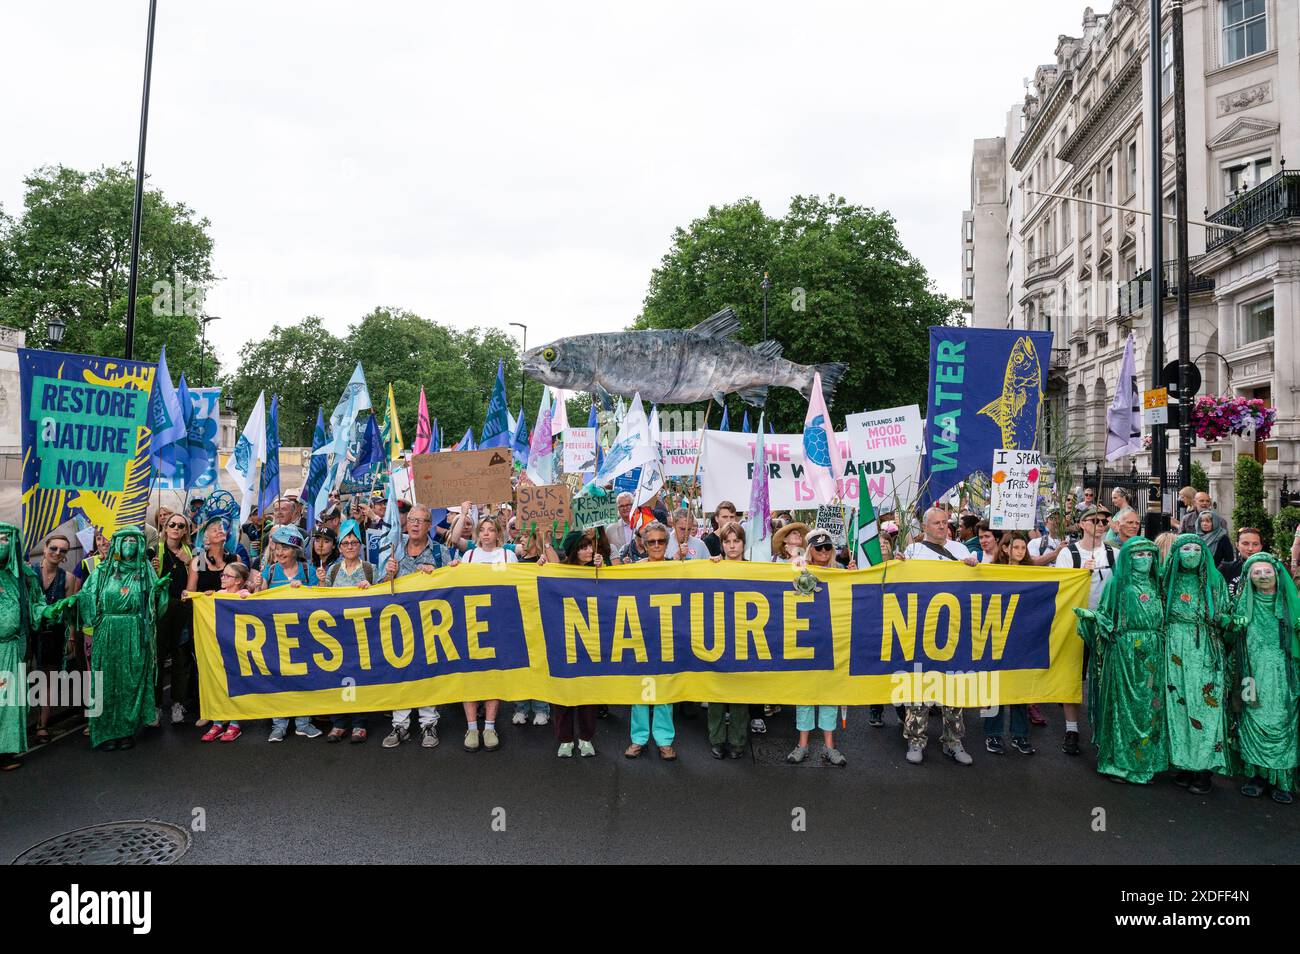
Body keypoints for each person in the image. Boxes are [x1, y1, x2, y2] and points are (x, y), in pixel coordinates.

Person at [1074, 537, 1169, 783]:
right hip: (1125, 655)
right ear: (1128, 558)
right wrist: (1092, 617)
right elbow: (1106, 618)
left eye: (1149, 555)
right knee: (1123, 708)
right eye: (1139, 555)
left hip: (1153, 656)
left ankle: (1146, 761)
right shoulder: (1117, 585)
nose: (1145, 560)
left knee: (1150, 707)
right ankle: (1119, 763)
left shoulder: (1157, 585)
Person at [895, 507, 976, 765]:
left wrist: (974, 568)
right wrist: (899, 567)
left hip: (955, 629)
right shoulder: (913, 552)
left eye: (945, 522)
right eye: (937, 523)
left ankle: (953, 741)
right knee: (920, 684)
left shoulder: (962, 551)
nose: (942, 526)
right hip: (923, 629)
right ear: (925, 527)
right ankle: (915, 740)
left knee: (954, 686)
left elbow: (978, 586)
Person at [77, 527, 168, 751]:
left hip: (135, 630)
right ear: (117, 543)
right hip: (107, 631)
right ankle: (106, 731)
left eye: (133, 540)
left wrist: (158, 591)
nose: (129, 543)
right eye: (124, 539)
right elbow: (87, 595)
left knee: (130, 680)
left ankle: (126, 730)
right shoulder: (103, 570)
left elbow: (155, 601)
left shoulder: (145, 570)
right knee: (107, 681)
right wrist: (93, 617)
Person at [1162, 534, 1232, 795]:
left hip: (1204, 650)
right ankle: (1183, 763)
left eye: (1196, 548)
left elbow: (1225, 612)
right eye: (1185, 549)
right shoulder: (1167, 580)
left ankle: (1203, 767)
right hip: (1173, 651)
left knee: (1205, 707)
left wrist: (1228, 621)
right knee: (1178, 705)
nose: (1190, 553)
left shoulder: (1215, 581)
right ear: (1176, 553)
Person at [382, 505, 456, 750]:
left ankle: (428, 722)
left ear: (429, 525)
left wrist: (436, 575)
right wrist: (387, 575)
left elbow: (452, 586)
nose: (414, 524)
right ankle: (400, 724)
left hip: (428, 624)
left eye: (421, 520)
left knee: (427, 673)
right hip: (398, 623)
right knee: (399, 673)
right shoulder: (393, 549)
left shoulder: (439, 552)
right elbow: (377, 589)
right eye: (411, 519)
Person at [1227, 553, 1300, 804]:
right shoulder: (1242, 603)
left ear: (1277, 574)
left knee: (1282, 721)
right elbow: (1228, 633)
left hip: (1283, 676)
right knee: (1250, 715)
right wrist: (1233, 624)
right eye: (1256, 573)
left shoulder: (1290, 606)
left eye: (1266, 571)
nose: (1262, 576)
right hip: (1251, 673)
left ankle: (1280, 780)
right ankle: (1256, 776)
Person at [1055, 505, 1116, 756]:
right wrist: (1079, 574)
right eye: (1094, 520)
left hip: (1105, 623)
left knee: (1105, 678)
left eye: (1104, 521)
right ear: (1082, 524)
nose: (1100, 525)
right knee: (1073, 677)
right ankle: (1072, 729)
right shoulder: (1069, 554)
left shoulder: (1115, 554)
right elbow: (1059, 587)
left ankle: (1104, 728)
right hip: (1077, 624)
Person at [256, 525, 323, 742]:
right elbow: (259, 599)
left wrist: (309, 587)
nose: (280, 553)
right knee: (279, 679)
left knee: (304, 677)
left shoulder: (307, 570)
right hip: (275, 634)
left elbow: (319, 598)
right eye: (277, 549)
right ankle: (279, 724)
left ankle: (303, 722)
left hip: (303, 633)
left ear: (295, 550)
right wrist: (258, 586)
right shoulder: (271, 570)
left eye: (285, 549)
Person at [1, 523, 55, 769]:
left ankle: (4, 752)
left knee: (9, 700)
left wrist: (50, 610)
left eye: (4, 540)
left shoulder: (23, 575)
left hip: (12, 649)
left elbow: (36, 604)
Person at [624, 521, 676, 761]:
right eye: (651, 541)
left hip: (669, 637)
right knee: (640, 690)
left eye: (661, 541)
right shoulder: (634, 569)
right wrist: (597, 566)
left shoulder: (680, 568)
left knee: (665, 690)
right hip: (640, 635)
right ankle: (639, 739)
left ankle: (665, 740)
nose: (656, 545)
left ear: (667, 544)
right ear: (643, 545)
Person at [984, 532, 1035, 755]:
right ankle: (992, 734)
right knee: (993, 688)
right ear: (1005, 549)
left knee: (1019, 688)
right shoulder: (991, 573)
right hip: (994, 636)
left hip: (1021, 638)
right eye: (1016, 547)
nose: (1021, 552)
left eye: (1023, 548)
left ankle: (1020, 735)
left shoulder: (1033, 575)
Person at [551, 531, 601, 757]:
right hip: (563, 638)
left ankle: (586, 738)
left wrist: (603, 568)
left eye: (590, 546)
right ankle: (565, 740)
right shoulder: (559, 572)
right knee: (563, 691)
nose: (589, 551)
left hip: (591, 640)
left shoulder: (597, 569)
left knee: (588, 692)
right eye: (583, 547)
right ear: (573, 551)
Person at [29, 535, 79, 742]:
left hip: (53, 634)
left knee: (47, 680)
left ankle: (42, 725)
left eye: (63, 551)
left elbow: (69, 613)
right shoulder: (28, 573)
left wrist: (72, 638)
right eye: (54, 548)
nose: (57, 553)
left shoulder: (67, 578)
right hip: (28, 631)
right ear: (45, 549)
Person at [198, 563, 250, 742]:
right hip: (219, 647)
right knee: (218, 683)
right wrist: (202, 598)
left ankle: (235, 723)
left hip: (237, 648)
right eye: (222, 575)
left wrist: (248, 596)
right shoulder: (218, 595)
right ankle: (218, 722)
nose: (222, 577)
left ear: (238, 580)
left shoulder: (244, 596)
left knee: (235, 684)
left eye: (227, 575)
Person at [154, 513, 195, 727]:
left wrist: (190, 563)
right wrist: (152, 570)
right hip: (162, 608)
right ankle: (155, 706)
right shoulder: (156, 551)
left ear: (186, 530)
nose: (176, 528)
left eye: (181, 525)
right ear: (165, 527)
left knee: (181, 657)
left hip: (183, 608)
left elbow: (198, 578)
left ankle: (177, 703)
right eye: (172, 525)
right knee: (158, 658)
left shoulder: (191, 552)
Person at [1218, 527, 1263, 597]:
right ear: (1237, 545)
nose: (1250, 548)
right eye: (1245, 544)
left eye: (1255, 544)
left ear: (1261, 547)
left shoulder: (1271, 570)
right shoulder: (1226, 569)